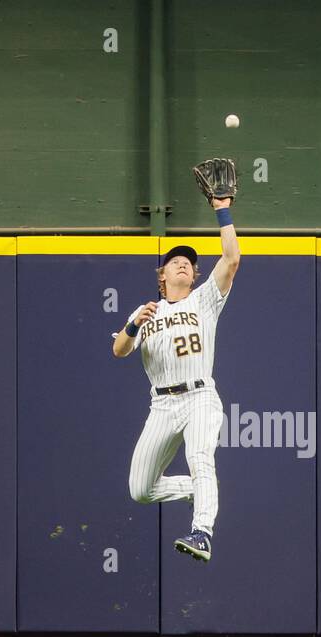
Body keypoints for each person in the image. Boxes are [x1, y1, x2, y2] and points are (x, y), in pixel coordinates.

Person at [113, 197, 240, 562]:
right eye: (175, 262)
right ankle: (200, 491)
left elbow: (231, 259)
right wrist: (135, 322)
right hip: (163, 404)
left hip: (200, 395)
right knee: (140, 488)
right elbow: (120, 350)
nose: (184, 264)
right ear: (162, 275)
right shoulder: (145, 312)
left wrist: (222, 210)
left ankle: (202, 531)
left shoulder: (204, 301)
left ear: (194, 276)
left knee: (200, 456)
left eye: (189, 263)